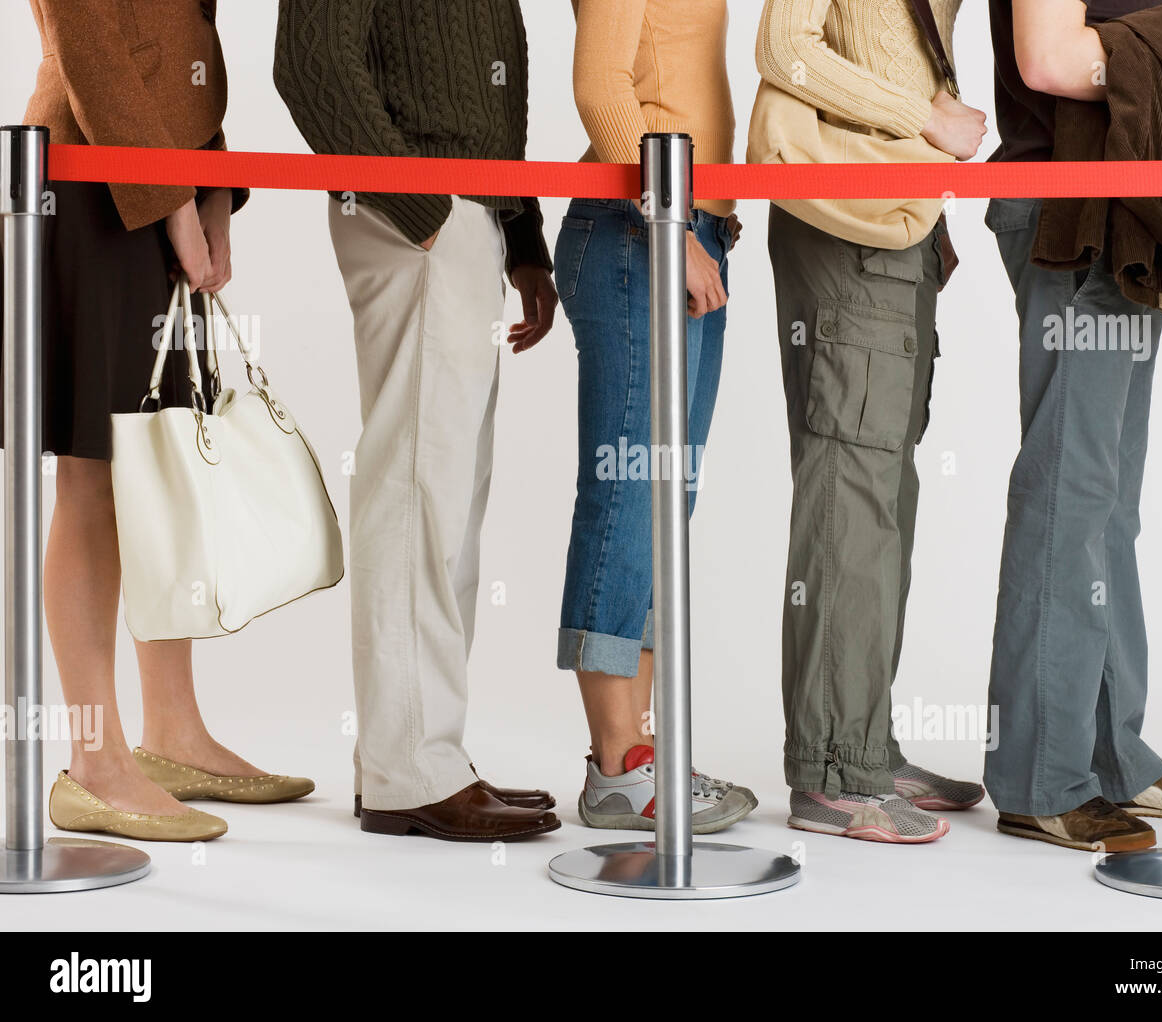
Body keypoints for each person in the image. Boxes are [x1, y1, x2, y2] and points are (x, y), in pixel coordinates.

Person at [12, 0, 313, 844]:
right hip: (89, 180)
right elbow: (90, 37)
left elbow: (186, 39)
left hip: (156, 178)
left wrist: (210, 183)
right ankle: (95, 763)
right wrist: (171, 197)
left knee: (162, 468)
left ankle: (172, 732)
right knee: (95, 472)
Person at [275, 0, 562, 842]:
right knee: (416, 492)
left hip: (465, 220)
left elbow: (487, 101)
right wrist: (425, 209)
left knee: (448, 503)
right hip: (420, 225)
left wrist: (520, 238)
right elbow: (310, 66)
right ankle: (409, 771)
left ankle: (424, 756)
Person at [750, 0, 988, 844]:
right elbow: (783, 46)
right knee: (850, 483)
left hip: (897, 227)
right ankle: (830, 771)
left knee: (884, 494)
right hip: (850, 231)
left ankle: (866, 746)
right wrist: (926, 118)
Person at [984, 0, 1162, 852]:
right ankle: (1042, 776)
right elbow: (1045, 60)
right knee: (1067, 495)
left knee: (1108, 503)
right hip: (1066, 215)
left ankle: (1112, 752)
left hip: (1119, 212)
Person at [556, 0, 758, 833]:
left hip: (687, 224)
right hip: (640, 230)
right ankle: (619, 767)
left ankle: (642, 752)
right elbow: (601, 87)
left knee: (663, 505)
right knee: (628, 497)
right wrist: (670, 226)